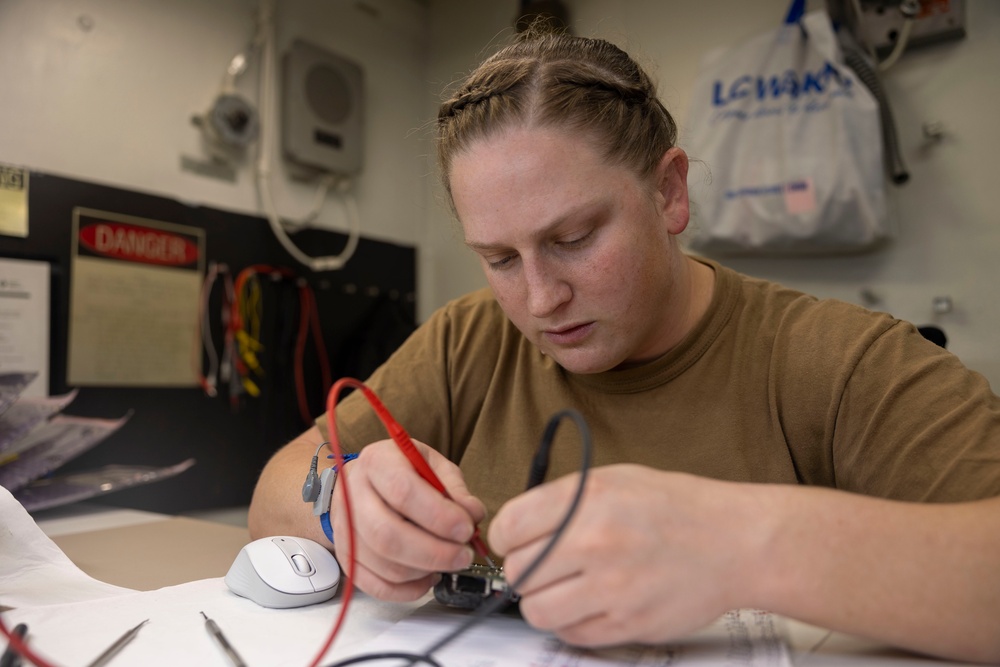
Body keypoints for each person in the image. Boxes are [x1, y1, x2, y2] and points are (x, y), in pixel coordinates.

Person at [248, 24, 1000, 663]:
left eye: (573, 238)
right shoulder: (470, 341)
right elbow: (277, 486)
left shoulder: (836, 362)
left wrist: (746, 543)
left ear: (669, 192)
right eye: (501, 259)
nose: (540, 299)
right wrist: (339, 505)